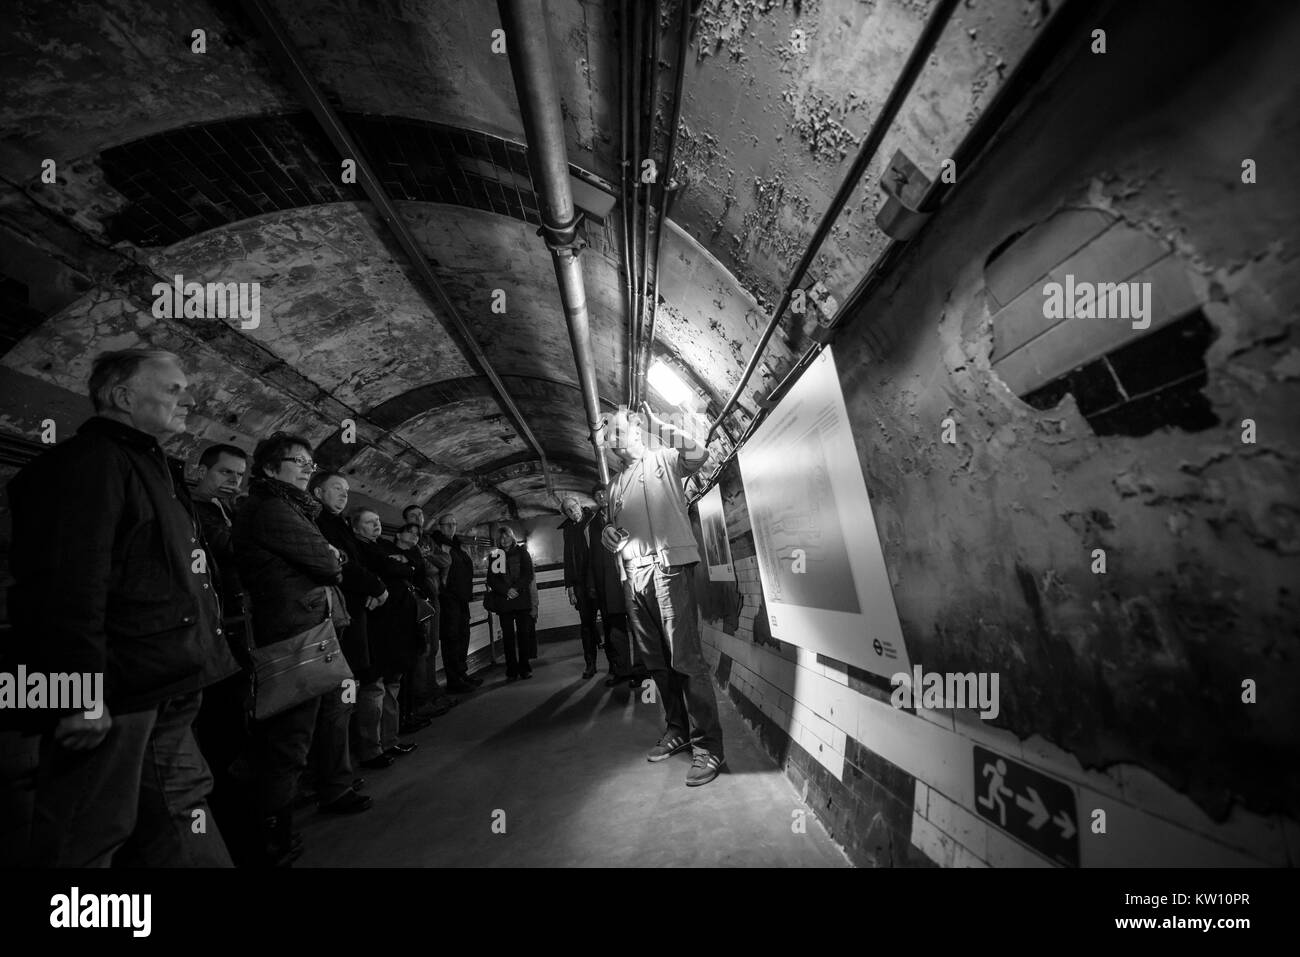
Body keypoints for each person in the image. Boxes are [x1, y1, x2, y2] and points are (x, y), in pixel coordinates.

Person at [8, 348, 234, 866]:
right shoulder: (87, 466)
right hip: (118, 692)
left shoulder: (149, 466)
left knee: (180, 807)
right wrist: (76, 693)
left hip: (166, 680)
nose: (190, 398)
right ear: (122, 396)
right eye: (173, 388)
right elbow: (65, 588)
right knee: (85, 835)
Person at [233, 432, 345, 865]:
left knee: (291, 739)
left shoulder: (283, 507)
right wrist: (332, 556)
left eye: (308, 462)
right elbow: (328, 564)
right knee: (287, 743)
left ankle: (271, 829)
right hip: (289, 637)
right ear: (267, 468)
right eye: (295, 460)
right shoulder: (274, 510)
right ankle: (269, 841)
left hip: (297, 631)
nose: (305, 467)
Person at [599, 404, 724, 787]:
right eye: (608, 437)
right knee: (656, 662)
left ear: (636, 430)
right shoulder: (615, 485)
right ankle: (678, 729)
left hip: (668, 567)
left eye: (617, 431)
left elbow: (699, 455)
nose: (612, 441)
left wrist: (659, 426)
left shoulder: (665, 458)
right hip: (634, 575)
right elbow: (615, 529)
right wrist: (608, 535)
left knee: (685, 658)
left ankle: (708, 747)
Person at [191, 442, 261, 863]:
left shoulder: (226, 510)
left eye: (238, 475)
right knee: (223, 738)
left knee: (240, 729)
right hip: (215, 636)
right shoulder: (196, 513)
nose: (233, 481)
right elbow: (233, 550)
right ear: (200, 471)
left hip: (237, 626)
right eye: (224, 473)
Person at [309, 471, 384, 814]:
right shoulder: (318, 523)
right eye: (336, 489)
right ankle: (335, 782)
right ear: (317, 490)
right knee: (339, 702)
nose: (343, 495)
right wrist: (376, 587)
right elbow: (345, 567)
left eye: (346, 490)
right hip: (336, 627)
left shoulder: (334, 525)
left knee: (346, 698)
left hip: (350, 621)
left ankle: (342, 772)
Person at [351, 510, 420, 768]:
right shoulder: (360, 549)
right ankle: (371, 748)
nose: (376, 525)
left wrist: (402, 565)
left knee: (393, 684)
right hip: (374, 629)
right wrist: (400, 565)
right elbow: (391, 566)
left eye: (378, 521)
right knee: (373, 688)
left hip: (395, 629)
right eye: (370, 522)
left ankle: (390, 739)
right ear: (355, 527)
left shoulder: (380, 546)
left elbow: (409, 567)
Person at [590, 485, 640, 687]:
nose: (601, 497)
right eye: (597, 495)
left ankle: (642, 670)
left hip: (632, 574)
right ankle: (623, 670)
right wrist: (595, 585)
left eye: (603, 493)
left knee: (638, 624)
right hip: (609, 582)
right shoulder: (594, 524)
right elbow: (592, 555)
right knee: (615, 628)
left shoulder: (624, 511)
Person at [431, 513, 480, 693]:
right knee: (451, 639)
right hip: (448, 599)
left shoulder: (457, 545)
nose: (451, 527)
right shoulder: (437, 543)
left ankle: (461, 673)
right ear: (440, 526)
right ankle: (454, 680)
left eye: (454, 524)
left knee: (462, 636)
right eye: (447, 524)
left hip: (462, 598)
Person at [559, 495, 601, 679]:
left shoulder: (593, 519)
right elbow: (568, 558)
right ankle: (590, 664)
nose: (572, 511)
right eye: (567, 510)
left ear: (579, 505)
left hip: (599, 578)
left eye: (573, 506)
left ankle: (617, 666)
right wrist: (569, 587)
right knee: (586, 625)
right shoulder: (567, 530)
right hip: (580, 584)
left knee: (608, 621)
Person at [486, 525, 535, 682]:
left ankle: (524, 667)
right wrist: (506, 590)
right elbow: (492, 579)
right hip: (504, 600)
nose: (504, 539)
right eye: (501, 537)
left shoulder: (522, 552)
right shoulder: (496, 556)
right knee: (507, 637)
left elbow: (528, 574)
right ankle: (511, 669)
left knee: (523, 636)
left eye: (506, 536)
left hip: (521, 599)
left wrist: (515, 588)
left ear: (511, 536)